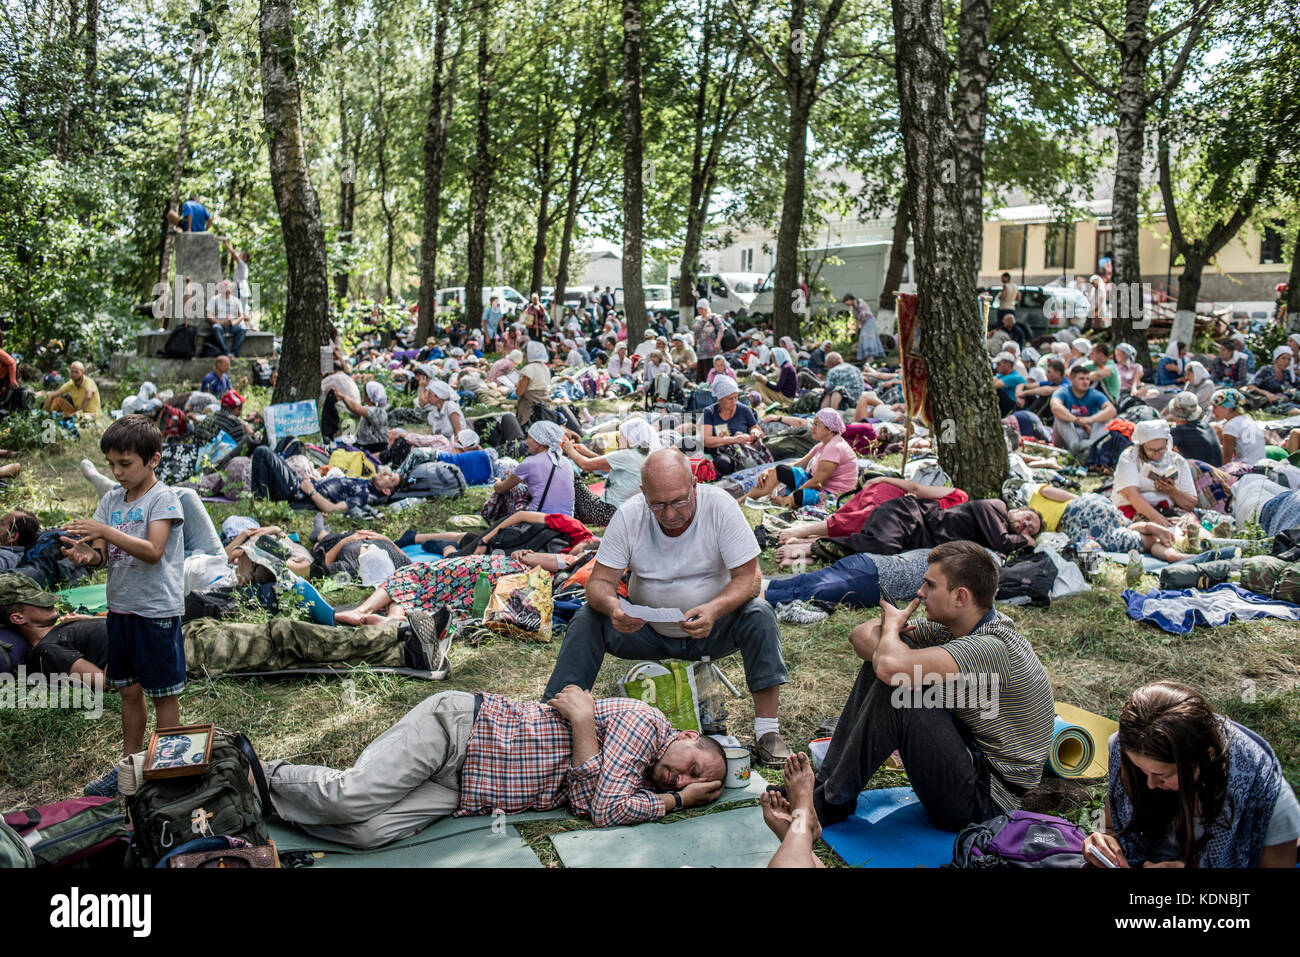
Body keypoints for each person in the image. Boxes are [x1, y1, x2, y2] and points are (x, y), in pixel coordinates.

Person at [543, 448, 793, 767]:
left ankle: (767, 733)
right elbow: (598, 584)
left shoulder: (720, 507)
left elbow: (750, 579)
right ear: (643, 493)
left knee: (760, 614)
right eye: (658, 504)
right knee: (588, 617)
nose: (670, 514)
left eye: (678, 501)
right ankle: (551, 722)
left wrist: (715, 608)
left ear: (694, 486)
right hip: (646, 631)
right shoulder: (630, 515)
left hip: (714, 627)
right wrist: (615, 609)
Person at [266, 687, 725, 848]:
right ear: (686, 736)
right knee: (349, 797)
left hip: (462, 792)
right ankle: (251, 771)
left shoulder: (641, 787)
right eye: (691, 766)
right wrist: (677, 801)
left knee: (366, 833)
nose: (679, 779)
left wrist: (584, 724)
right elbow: (604, 808)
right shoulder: (646, 724)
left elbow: (594, 804)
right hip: (460, 730)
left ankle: (270, 813)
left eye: (690, 783)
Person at [813, 541, 1054, 830]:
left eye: (929, 585)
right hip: (969, 767)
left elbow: (891, 668)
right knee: (888, 666)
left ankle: (830, 803)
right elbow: (859, 637)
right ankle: (824, 786)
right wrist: (891, 645)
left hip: (987, 804)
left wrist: (890, 632)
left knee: (899, 687)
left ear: (960, 596)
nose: (920, 592)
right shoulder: (954, 627)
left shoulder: (991, 647)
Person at [59, 415, 186, 797]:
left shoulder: (162, 499)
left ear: (153, 460)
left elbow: (153, 551)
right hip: (121, 611)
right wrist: (88, 556)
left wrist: (106, 533)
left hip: (156, 613)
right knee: (128, 692)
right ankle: (130, 769)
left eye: (125, 464)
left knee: (163, 693)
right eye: (111, 464)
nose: (117, 472)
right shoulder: (111, 499)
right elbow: (103, 554)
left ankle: (168, 771)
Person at [1085, 681, 1300, 868]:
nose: (1150, 783)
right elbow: (1113, 827)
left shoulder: (1268, 801)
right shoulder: (1127, 759)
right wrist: (1104, 843)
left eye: (1163, 775)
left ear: (1207, 756)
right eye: (1142, 771)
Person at [745, 409, 857, 506]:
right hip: (818, 486)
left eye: (816, 424)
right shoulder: (822, 445)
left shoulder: (834, 447)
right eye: (813, 423)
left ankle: (785, 502)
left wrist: (791, 495)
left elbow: (817, 482)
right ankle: (744, 499)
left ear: (829, 428)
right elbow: (800, 464)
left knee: (799, 496)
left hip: (831, 494)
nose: (812, 427)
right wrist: (769, 470)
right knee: (781, 470)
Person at [250, 445, 400, 512]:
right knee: (288, 444)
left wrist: (311, 491)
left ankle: (261, 504)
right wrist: (316, 481)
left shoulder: (365, 495)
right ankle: (263, 502)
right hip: (304, 485)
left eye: (390, 477)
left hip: (298, 494)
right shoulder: (365, 483)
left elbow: (333, 509)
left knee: (263, 452)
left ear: (386, 491)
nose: (385, 473)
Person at [562, 417, 661, 514]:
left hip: (608, 510)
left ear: (631, 438)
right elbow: (608, 466)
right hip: (625, 509)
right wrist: (587, 453)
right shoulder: (644, 454)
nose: (618, 438)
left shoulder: (627, 454)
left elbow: (584, 465)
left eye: (622, 435)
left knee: (572, 476)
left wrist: (569, 450)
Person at [1111, 419, 1197, 523]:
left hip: (1170, 510)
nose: (1156, 454)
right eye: (1151, 450)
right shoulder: (1129, 458)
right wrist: (1159, 520)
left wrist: (1172, 490)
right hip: (1137, 510)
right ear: (1142, 446)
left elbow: (1190, 504)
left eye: (1161, 449)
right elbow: (1131, 495)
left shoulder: (1177, 461)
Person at [494, 421, 575, 515]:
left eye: (529, 437)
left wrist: (498, 482)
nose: (526, 442)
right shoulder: (565, 461)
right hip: (567, 519)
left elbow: (500, 489)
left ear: (540, 441)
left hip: (540, 518)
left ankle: (491, 514)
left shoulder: (530, 462)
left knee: (508, 479)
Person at [1049, 362, 1117, 456]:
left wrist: (1089, 419)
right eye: (1081, 379)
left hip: (1087, 434)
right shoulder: (1063, 391)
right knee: (1060, 416)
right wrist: (1076, 420)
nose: (1085, 382)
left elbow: (1112, 410)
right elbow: (1055, 407)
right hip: (1068, 434)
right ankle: (1075, 447)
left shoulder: (1094, 393)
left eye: (1087, 379)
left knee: (1107, 418)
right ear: (1072, 379)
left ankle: (1090, 445)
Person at [699, 376, 764, 459]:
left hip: (746, 453)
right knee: (723, 463)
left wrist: (755, 431)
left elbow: (760, 433)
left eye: (736, 397)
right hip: (723, 454)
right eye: (730, 398)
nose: (734, 402)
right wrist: (734, 439)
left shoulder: (744, 409)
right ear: (720, 398)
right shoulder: (709, 412)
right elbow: (706, 440)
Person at [1209, 388, 1266, 464]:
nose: (1213, 411)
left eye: (1215, 407)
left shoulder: (1230, 426)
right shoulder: (1248, 419)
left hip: (1248, 468)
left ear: (1226, 407)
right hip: (1261, 465)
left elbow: (1226, 461)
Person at [1166, 390, 1222, 466]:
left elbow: (1164, 450)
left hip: (1203, 476)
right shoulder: (1206, 426)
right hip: (1218, 472)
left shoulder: (1179, 431)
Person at [336, 380, 390, 452]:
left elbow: (357, 408)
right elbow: (354, 409)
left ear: (369, 396)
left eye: (364, 392)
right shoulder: (370, 408)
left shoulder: (377, 411)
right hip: (366, 446)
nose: (363, 394)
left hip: (374, 449)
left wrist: (343, 397)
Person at [515, 341, 554, 426]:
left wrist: (517, 385)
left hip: (530, 406)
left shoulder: (528, 369)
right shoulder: (545, 368)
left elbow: (520, 392)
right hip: (545, 406)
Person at [206, 280, 247, 356]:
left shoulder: (236, 301)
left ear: (231, 289)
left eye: (228, 286)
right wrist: (220, 322)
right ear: (220, 288)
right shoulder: (214, 299)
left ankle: (233, 352)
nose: (226, 289)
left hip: (233, 325)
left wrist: (233, 322)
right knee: (215, 328)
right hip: (220, 324)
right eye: (224, 286)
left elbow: (241, 316)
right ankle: (225, 352)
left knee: (243, 328)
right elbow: (209, 315)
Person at [691, 299, 724, 383]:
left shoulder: (714, 318)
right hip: (701, 351)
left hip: (713, 350)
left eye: (701, 308)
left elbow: (721, 329)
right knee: (702, 373)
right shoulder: (697, 320)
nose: (699, 310)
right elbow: (695, 329)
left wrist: (717, 342)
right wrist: (704, 320)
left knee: (713, 369)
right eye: (698, 308)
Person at [844, 293, 884, 361]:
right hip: (864, 323)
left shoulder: (860, 302)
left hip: (869, 322)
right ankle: (867, 357)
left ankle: (870, 356)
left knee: (867, 337)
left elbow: (863, 313)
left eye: (846, 302)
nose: (846, 304)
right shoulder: (854, 307)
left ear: (850, 299)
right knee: (863, 338)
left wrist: (859, 323)